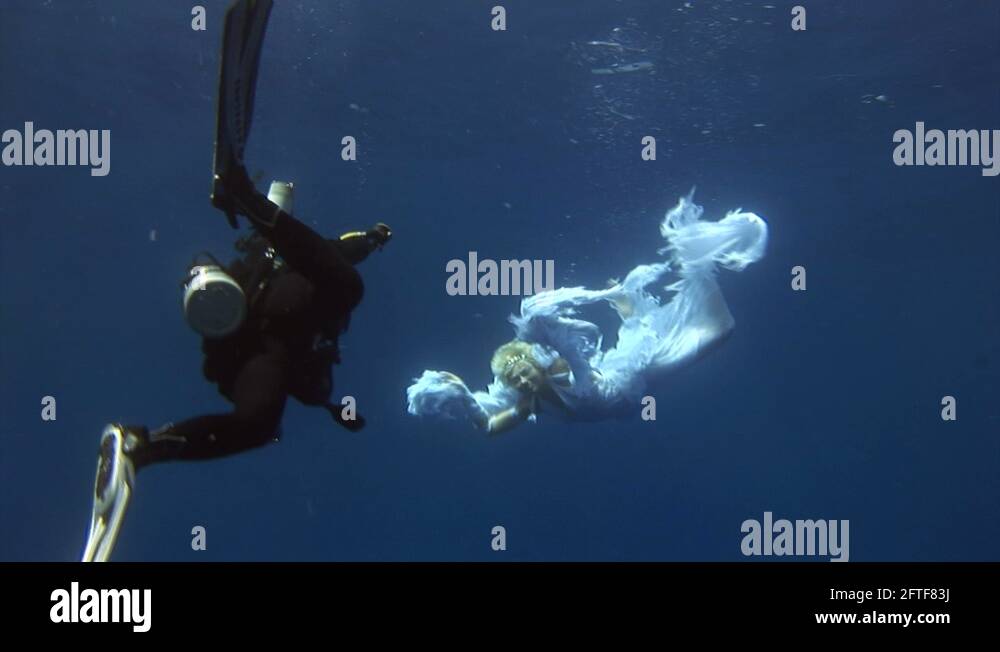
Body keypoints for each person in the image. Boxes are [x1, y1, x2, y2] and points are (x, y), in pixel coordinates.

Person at [406, 191, 768, 434]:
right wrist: (460, 391)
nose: (525, 384)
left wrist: (568, 318)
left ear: (535, 364)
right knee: (704, 331)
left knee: (721, 330)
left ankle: (696, 257)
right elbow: (486, 426)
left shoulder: (559, 366)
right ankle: (640, 299)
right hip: (615, 393)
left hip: (629, 380)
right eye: (518, 383)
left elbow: (587, 378)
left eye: (526, 376)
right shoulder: (519, 396)